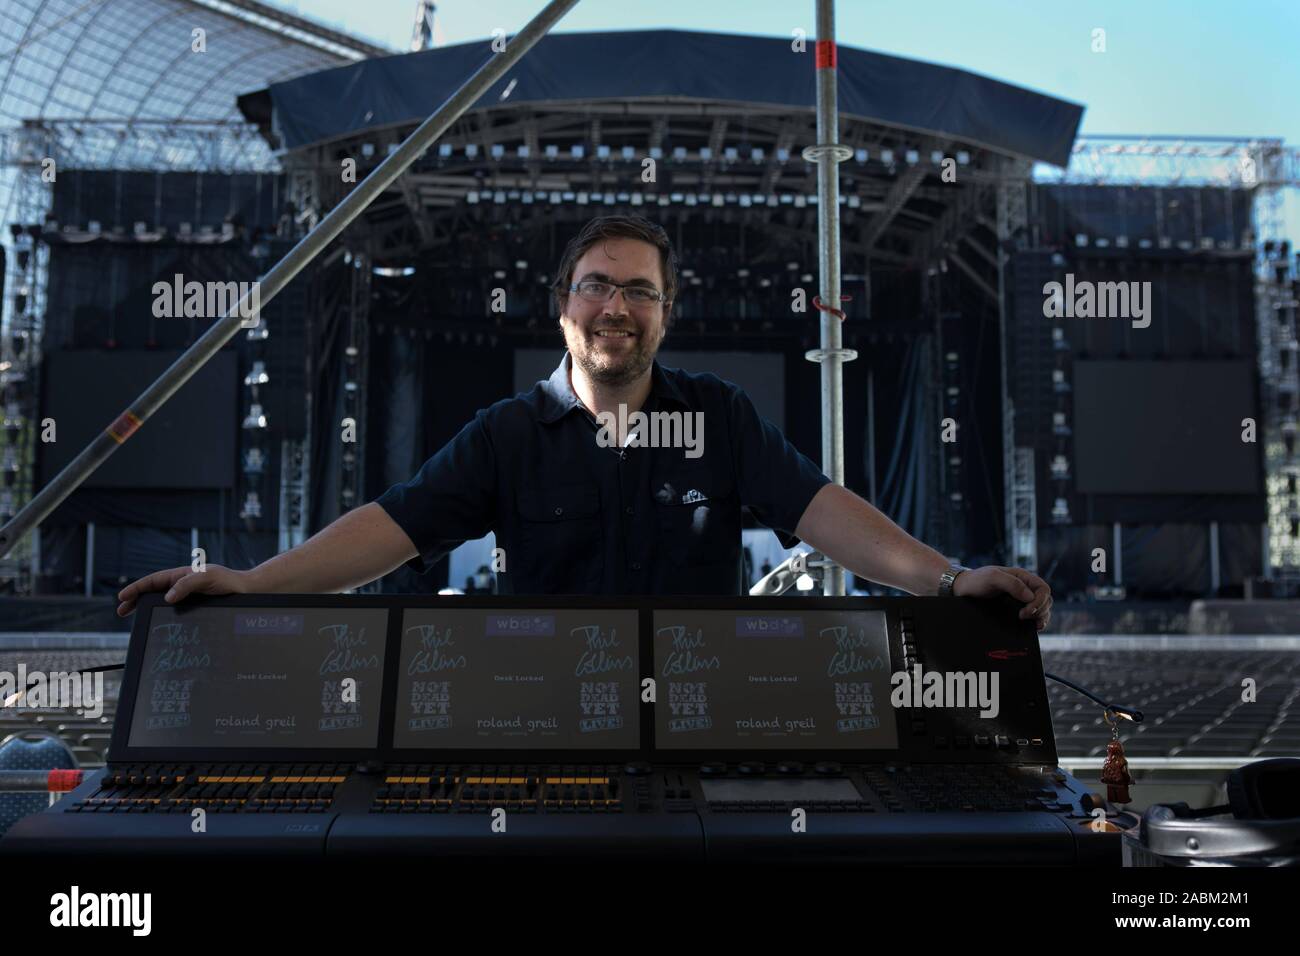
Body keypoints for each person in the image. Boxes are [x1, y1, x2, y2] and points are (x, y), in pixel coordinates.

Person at [117, 215, 1052, 629]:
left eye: (640, 289)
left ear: (666, 312)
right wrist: (256, 583)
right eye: (597, 284)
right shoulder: (505, 436)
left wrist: (951, 579)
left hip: (697, 723)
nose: (617, 305)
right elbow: (391, 530)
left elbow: (823, 511)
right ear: (561, 303)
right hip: (544, 724)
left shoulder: (719, 418)